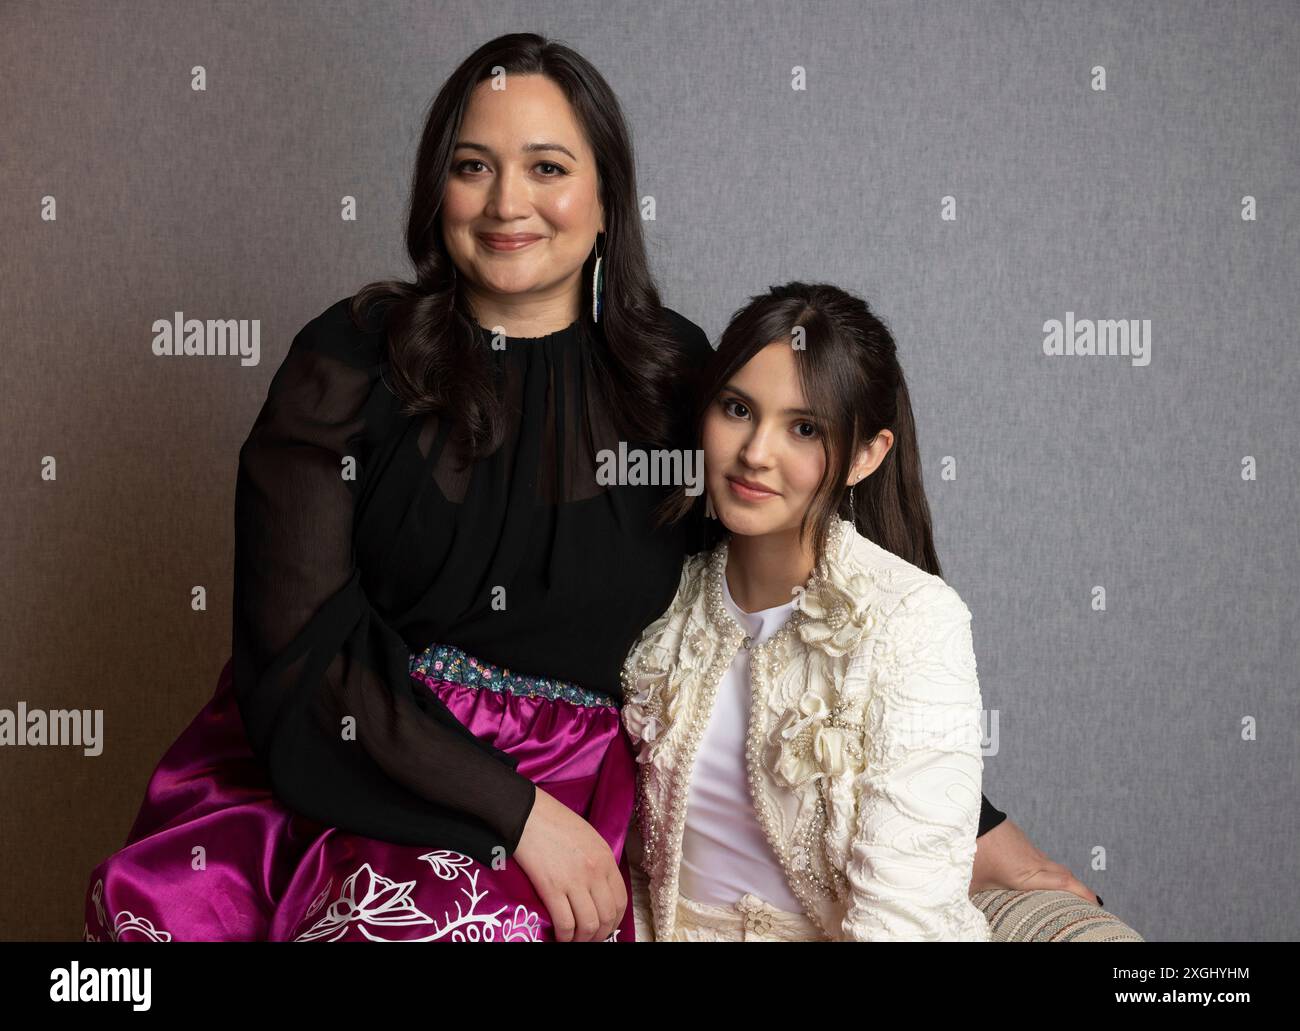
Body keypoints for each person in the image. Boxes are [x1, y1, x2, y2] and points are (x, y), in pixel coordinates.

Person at [82, 33, 1089, 944]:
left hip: (577, 795)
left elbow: (781, 615)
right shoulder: (347, 361)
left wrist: (984, 830)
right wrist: (517, 815)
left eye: (547, 169)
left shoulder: (675, 382)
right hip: (346, 768)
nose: (506, 201)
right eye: (472, 167)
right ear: (437, 190)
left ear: (608, 198)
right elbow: (296, 648)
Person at [622, 282, 1143, 941]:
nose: (756, 452)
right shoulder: (666, 599)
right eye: (737, 409)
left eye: (804, 427)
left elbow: (904, 918)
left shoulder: (914, 621)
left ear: (867, 455)